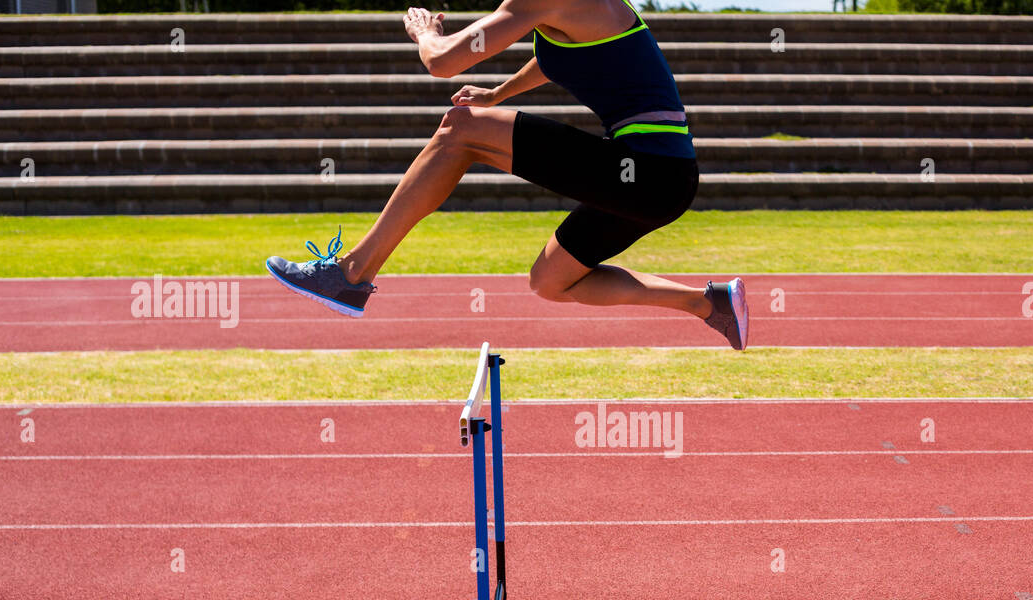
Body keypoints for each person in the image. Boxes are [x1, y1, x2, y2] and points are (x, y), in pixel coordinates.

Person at [265, 0, 749, 350]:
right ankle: (710, 305)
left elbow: (442, 62)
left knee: (459, 131)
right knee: (551, 281)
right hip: (660, 180)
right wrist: (498, 93)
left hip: (647, 171)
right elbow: (557, 56)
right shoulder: (570, 8)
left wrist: (424, 32)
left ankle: (351, 273)